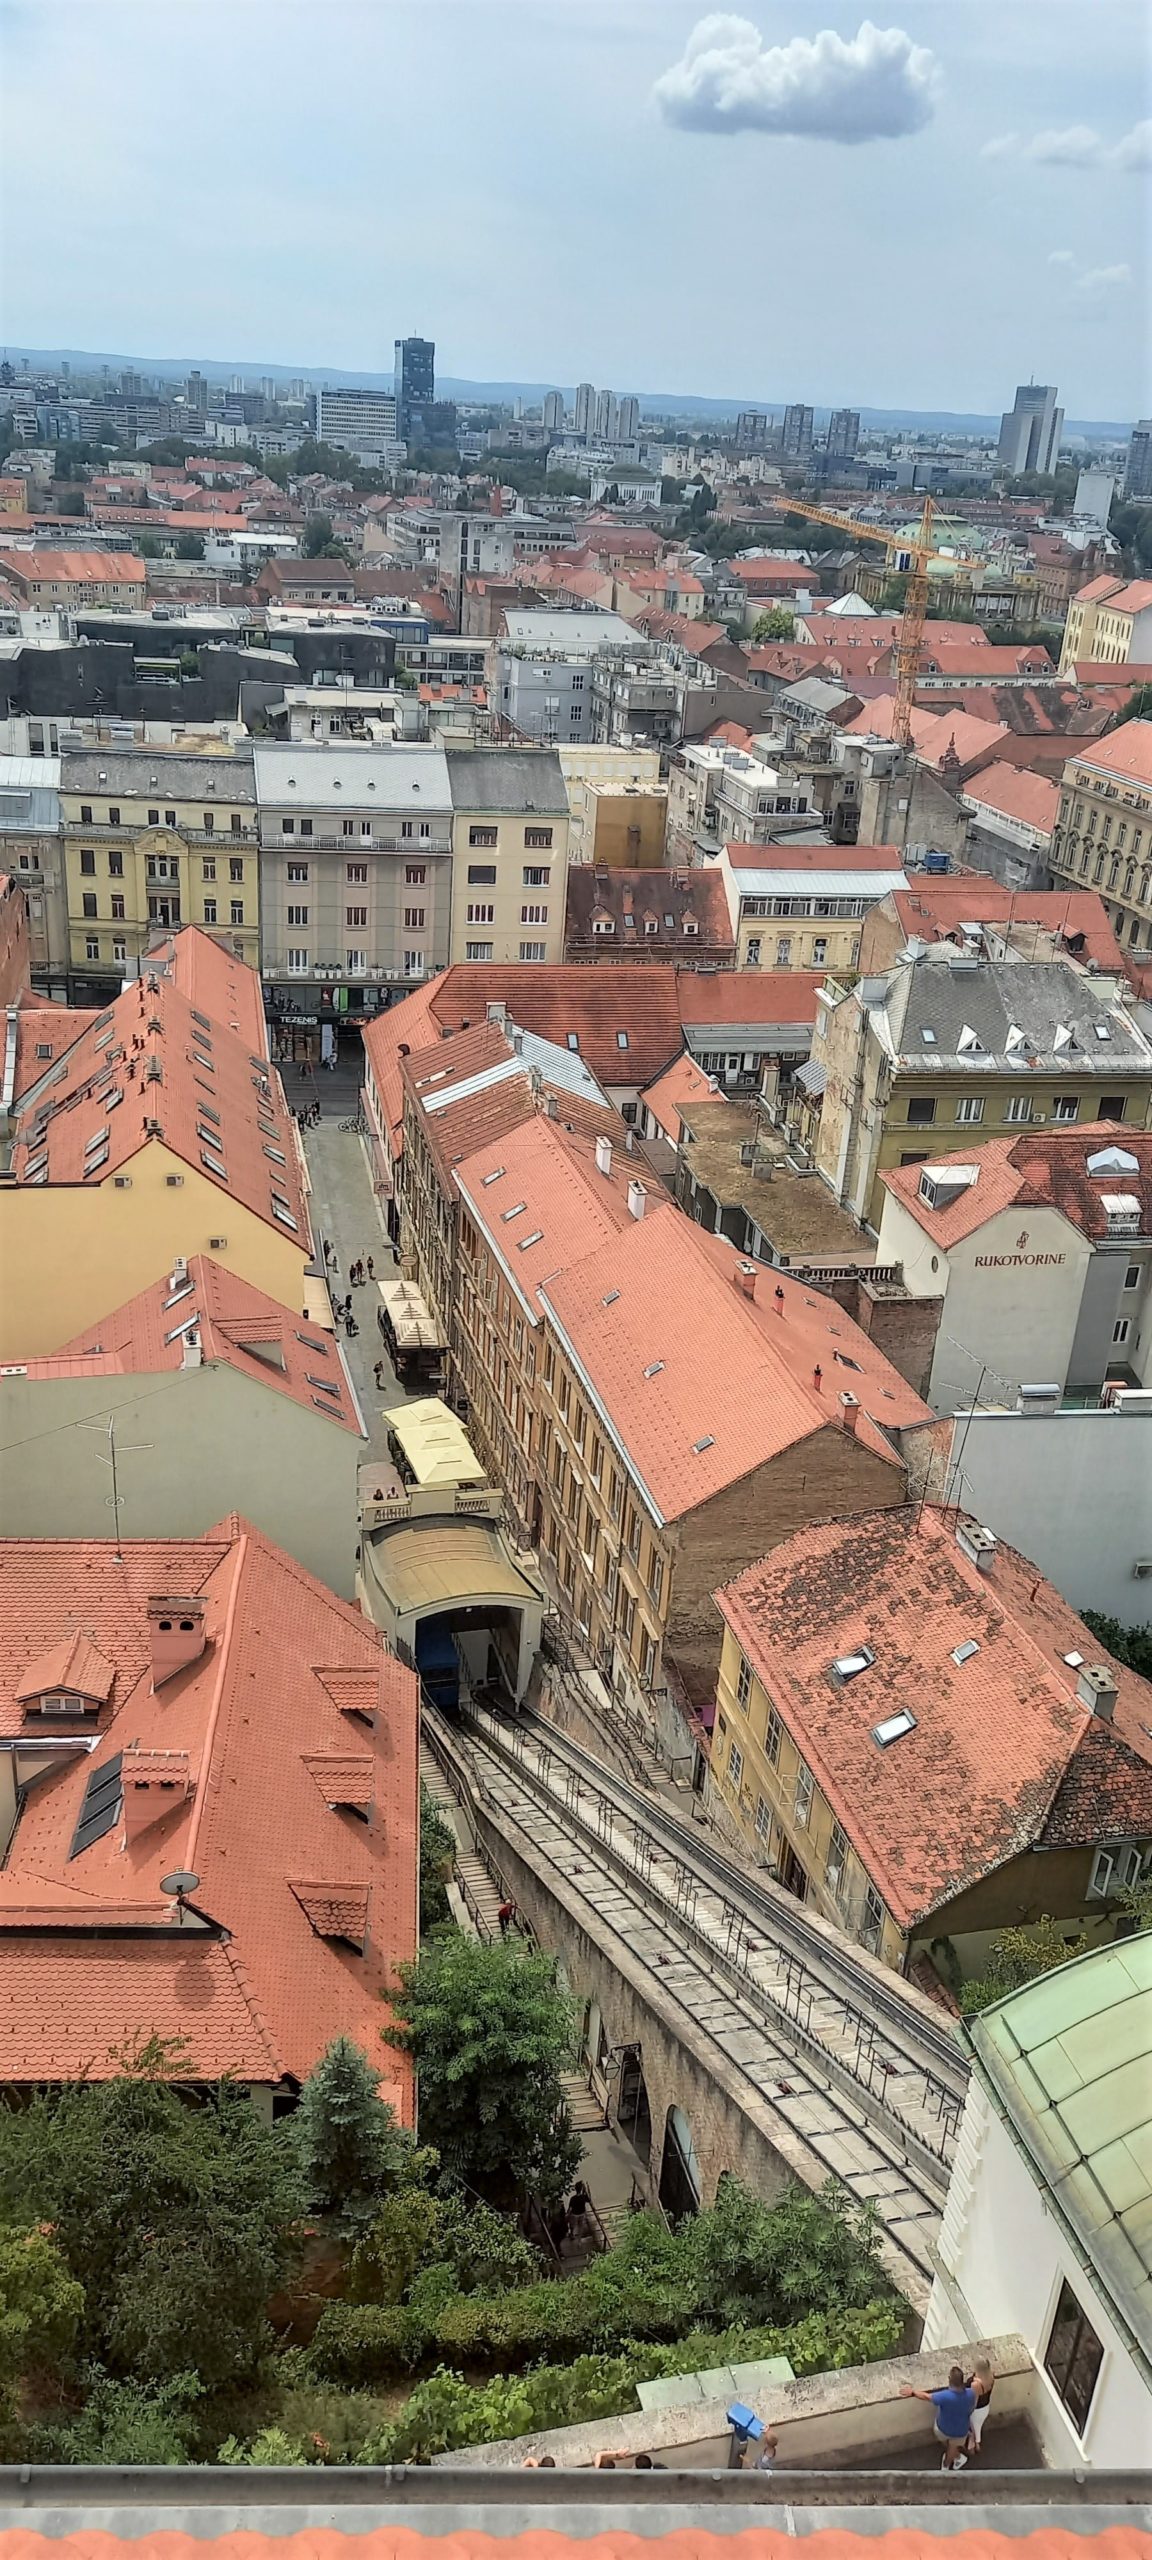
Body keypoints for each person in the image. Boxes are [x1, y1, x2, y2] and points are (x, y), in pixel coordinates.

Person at [901, 2367, 975, 2470]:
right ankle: (957, 2457)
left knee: (949, 2449)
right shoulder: (971, 2393)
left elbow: (927, 2397)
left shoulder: (944, 2396)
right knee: (952, 2447)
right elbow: (971, 2408)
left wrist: (913, 2392)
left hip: (943, 2427)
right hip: (961, 2430)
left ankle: (946, 2466)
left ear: (949, 2379)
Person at [966, 2358, 995, 2456]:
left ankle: (974, 2447)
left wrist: (968, 2412)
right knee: (977, 2428)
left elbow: (974, 2402)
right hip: (985, 2407)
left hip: (977, 2411)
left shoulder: (975, 2384)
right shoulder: (991, 2377)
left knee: (973, 2430)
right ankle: (976, 2445)